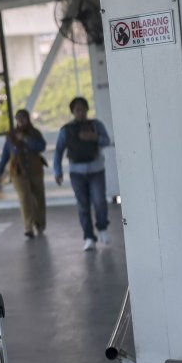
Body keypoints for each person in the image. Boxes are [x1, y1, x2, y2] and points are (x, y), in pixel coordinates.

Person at [54, 96, 113, 251]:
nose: (80, 112)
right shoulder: (66, 130)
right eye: (77, 110)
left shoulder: (96, 125)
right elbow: (59, 151)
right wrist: (58, 171)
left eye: (82, 109)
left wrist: (94, 137)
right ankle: (88, 237)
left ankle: (102, 228)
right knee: (83, 205)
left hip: (96, 170)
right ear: (73, 112)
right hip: (77, 173)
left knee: (100, 201)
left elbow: (107, 141)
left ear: (87, 109)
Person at [0, 108, 48, 238]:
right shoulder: (11, 136)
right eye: (18, 119)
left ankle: (39, 224)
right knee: (25, 198)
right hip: (18, 171)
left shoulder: (35, 133)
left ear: (27, 119)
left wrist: (26, 138)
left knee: (38, 197)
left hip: (35, 168)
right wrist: (0, 170)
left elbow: (41, 147)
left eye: (23, 118)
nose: (21, 121)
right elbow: (5, 155)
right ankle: (28, 227)